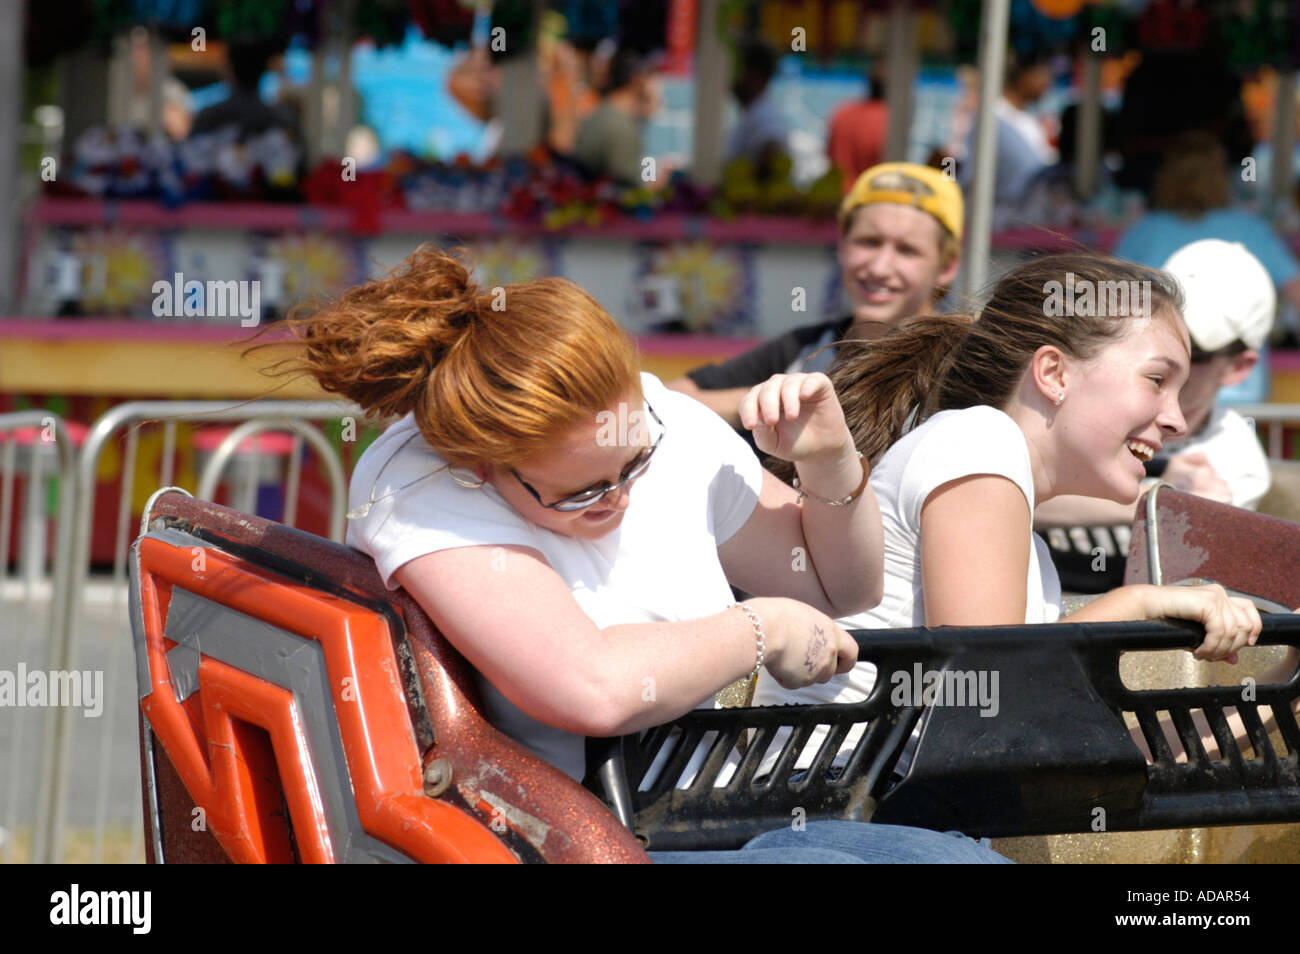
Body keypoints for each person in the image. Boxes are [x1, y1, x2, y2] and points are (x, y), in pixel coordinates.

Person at [271, 245, 1006, 864]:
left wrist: (831, 466)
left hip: (723, 805)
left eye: (634, 465)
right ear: (482, 465)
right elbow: (594, 688)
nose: (618, 497)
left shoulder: (665, 421)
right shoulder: (422, 485)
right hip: (582, 832)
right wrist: (763, 631)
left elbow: (835, 587)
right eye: (579, 492)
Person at [754, 253, 1271, 769]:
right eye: (1157, 380)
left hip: (877, 813)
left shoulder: (1027, 543)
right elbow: (985, 698)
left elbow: (1101, 759)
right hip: (839, 816)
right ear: (1052, 372)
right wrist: (1136, 604)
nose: (1177, 420)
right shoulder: (981, 438)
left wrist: (1280, 693)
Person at [667, 162, 962, 447]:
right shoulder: (804, 349)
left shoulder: (964, 364)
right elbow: (666, 399)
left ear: (947, 266)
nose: (880, 267)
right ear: (842, 247)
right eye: (869, 242)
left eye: (907, 250)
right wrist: (764, 401)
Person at [1035, 239, 1274, 546]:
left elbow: (1185, 569)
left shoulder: (1235, 455)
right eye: (1156, 334)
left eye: (1195, 353)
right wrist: (1157, 498)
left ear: (1238, 367)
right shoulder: (1086, 394)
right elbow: (1015, 485)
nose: (1174, 361)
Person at [1113, 133, 1300, 402]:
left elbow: (1111, 307)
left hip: (1158, 391)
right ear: (1222, 177)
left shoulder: (1142, 232)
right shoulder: (1251, 228)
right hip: (1239, 389)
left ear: (1166, 176)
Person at [959, 52, 1056, 228]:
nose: (1048, 82)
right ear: (1024, 76)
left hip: (1026, 227)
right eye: (1043, 74)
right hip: (997, 229)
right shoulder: (991, 119)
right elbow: (970, 178)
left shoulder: (1029, 120)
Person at [573, 47, 659, 187]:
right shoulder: (620, 127)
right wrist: (655, 186)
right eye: (651, 77)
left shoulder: (603, 114)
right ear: (636, 80)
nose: (657, 86)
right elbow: (630, 191)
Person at [725, 39, 789, 182]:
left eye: (735, 69)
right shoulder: (753, 113)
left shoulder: (765, 116)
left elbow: (773, 151)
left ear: (753, 73)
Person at [825, 70, 888, 192]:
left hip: (838, 194)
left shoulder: (842, 112)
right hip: (870, 194)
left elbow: (830, 155)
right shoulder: (889, 120)